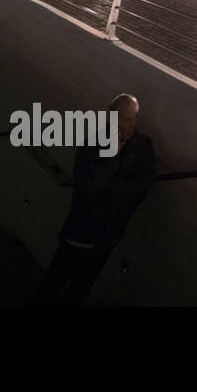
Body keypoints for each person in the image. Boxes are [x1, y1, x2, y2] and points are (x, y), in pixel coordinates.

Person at [39, 93, 156, 304]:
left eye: (134, 118)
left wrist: (109, 188)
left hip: (107, 235)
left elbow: (140, 188)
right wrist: (111, 159)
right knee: (53, 283)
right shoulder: (93, 143)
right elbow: (89, 187)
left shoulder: (142, 147)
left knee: (80, 289)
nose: (132, 125)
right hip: (81, 232)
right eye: (126, 119)